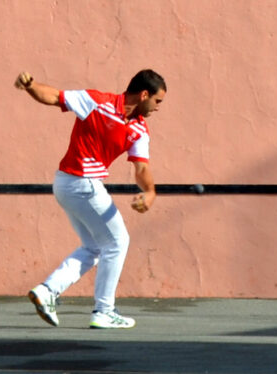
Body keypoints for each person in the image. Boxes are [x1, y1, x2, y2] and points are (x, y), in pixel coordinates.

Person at [14, 69, 166, 329]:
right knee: (118, 242)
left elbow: (141, 168)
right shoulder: (98, 101)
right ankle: (104, 311)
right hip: (81, 183)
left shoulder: (140, 128)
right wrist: (30, 85)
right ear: (144, 95)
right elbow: (53, 97)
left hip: (68, 186)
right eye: (157, 101)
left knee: (95, 247)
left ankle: (48, 290)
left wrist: (150, 191)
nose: (157, 108)